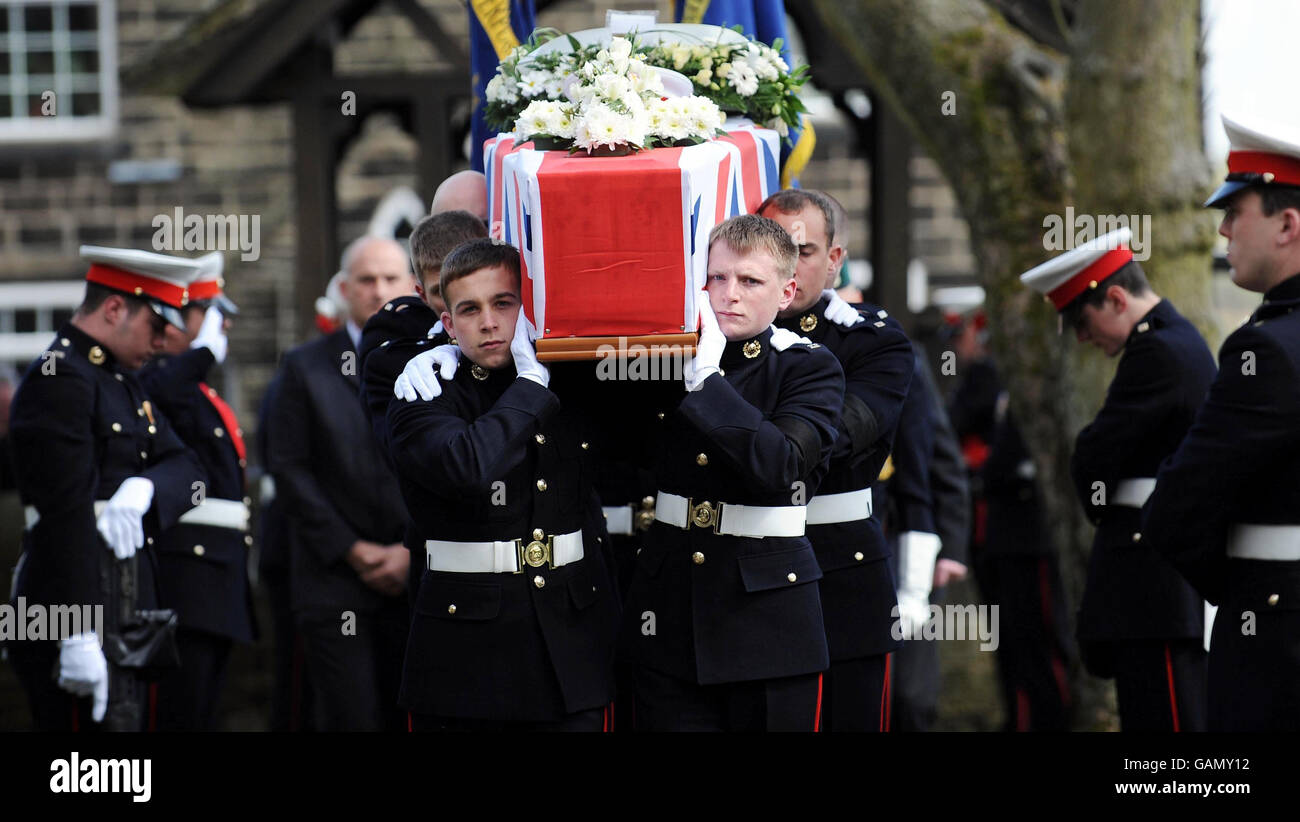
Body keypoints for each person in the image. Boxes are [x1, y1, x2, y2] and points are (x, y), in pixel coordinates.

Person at [624, 214, 846, 731]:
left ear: (786, 292)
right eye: (716, 278)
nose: (729, 294)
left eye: (749, 281)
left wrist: (707, 382)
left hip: (767, 620)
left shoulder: (808, 367)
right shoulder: (663, 361)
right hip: (672, 608)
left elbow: (781, 465)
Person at [387, 238, 620, 730]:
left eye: (503, 303)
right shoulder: (422, 389)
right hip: (465, 657)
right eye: (469, 309)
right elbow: (467, 467)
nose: (489, 322)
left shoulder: (573, 380)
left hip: (570, 647)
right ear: (447, 323)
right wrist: (532, 387)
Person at [6, 245, 205, 731]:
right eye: (156, 325)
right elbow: (62, 516)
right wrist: (75, 632)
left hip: (125, 606)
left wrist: (147, 488)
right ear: (115, 308)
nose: (162, 343)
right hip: (75, 611)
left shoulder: (119, 381)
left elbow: (189, 468)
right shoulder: (60, 378)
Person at [1020, 226, 1211, 731]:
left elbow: (1094, 454)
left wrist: (1097, 488)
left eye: (1083, 322)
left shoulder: (1160, 352)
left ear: (1117, 298)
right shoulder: (1169, 343)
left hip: (1157, 580)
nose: (1084, 338)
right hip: (1158, 578)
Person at [1144, 113, 1300, 731]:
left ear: (1288, 224)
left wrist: (1239, 586)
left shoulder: (1268, 350)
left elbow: (1176, 510)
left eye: (1238, 213)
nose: (1224, 229)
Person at [759, 189, 915, 731]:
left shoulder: (873, 342)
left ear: (834, 261)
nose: (788, 265)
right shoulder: (718, 340)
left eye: (803, 251)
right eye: (774, 246)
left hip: (836, 574)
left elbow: (830, 438)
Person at [266, 234, 413, 731]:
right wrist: (352, 549)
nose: (379, 290)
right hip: (334, 583)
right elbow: (288, 468)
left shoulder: (437, 360)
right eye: (367, 279)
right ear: (345, 288)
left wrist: (411, 549)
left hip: (417, 574)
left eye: (391, 278)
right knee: (352, 718)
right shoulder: (303, 366)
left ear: (412, 286)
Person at [137, 253, 257, 730]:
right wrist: (200, 354)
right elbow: (159, 391)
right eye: (209, 315)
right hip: (186, 582)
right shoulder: (158, 378)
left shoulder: (197, 389)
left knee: (202, 710)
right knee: (177, 714)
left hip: (216, 579)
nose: (220, 326)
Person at [948, 312, 1075, 731]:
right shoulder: (1003, 387)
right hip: (1003, 537)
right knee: (1012, 645)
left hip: (1028, 537)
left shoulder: (1000, 380)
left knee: (1038, 645)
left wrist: (982, 473)